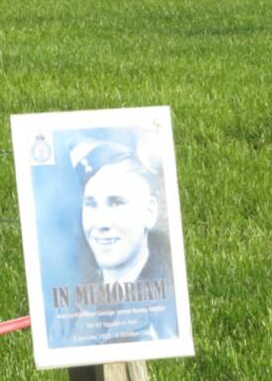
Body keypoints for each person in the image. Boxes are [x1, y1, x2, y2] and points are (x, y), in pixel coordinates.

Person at [48, 139, 178, 347]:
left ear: (150, 212)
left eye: (116, 203)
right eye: (91, 204)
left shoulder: (173, 305)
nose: (100, 223)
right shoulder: (70, 312)